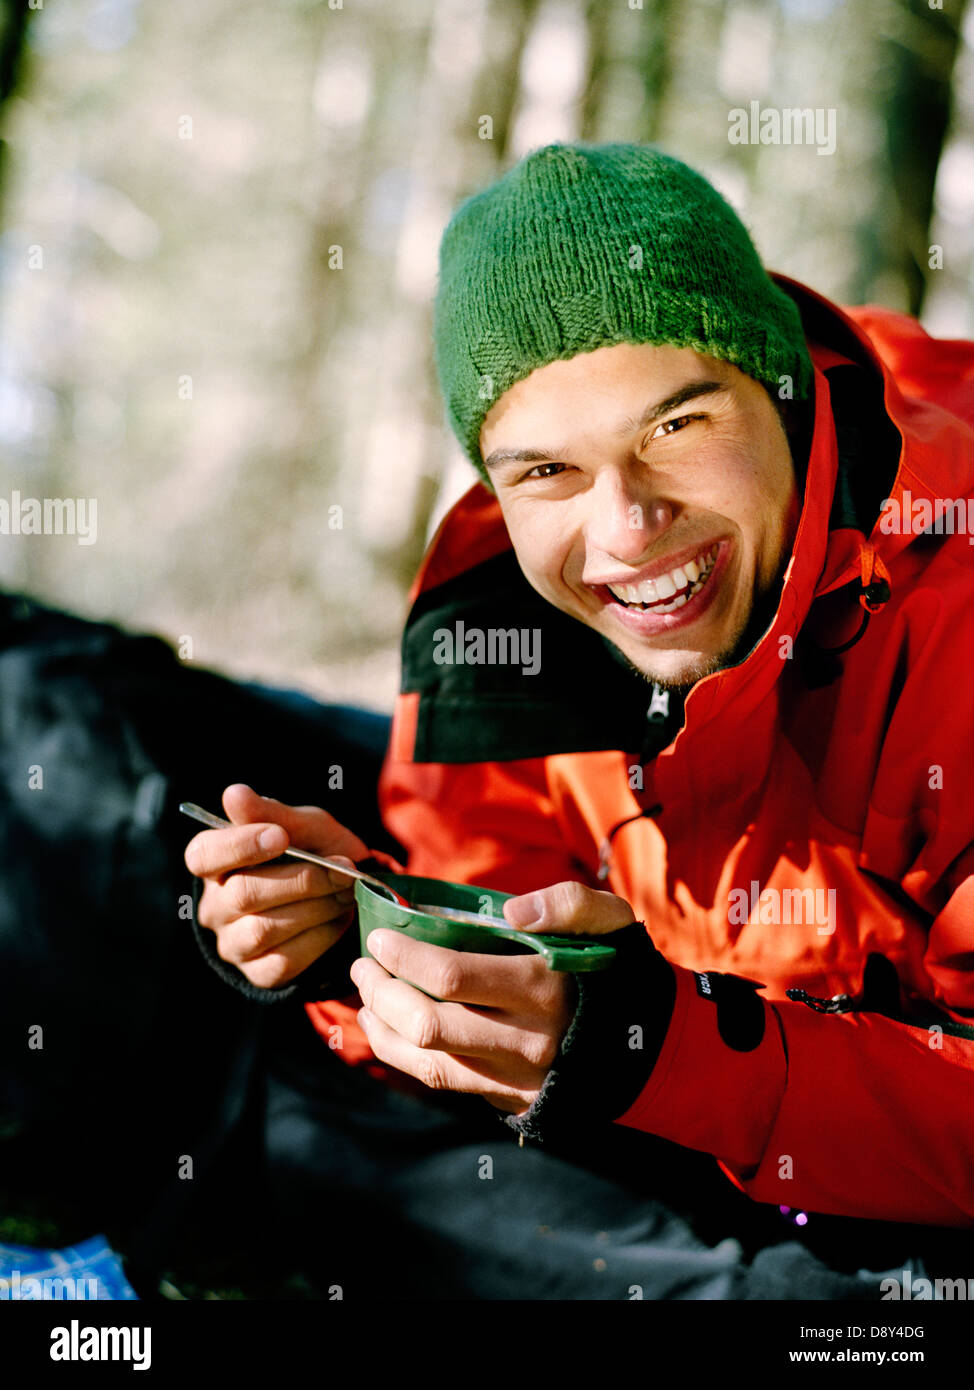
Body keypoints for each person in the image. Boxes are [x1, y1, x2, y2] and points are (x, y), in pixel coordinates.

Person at [184, 143, 974, 1299]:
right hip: (721, 1130)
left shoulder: (945, 604)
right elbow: (496, 912)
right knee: (291, 1127)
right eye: (546, 468)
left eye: (675, 427)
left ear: (784, 394)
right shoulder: (492, 606)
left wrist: (671, 1048)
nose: (624, 529)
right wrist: (371, 940)